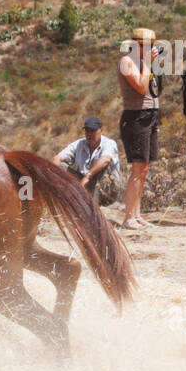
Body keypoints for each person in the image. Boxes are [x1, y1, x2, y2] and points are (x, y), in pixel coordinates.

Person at [117, 26, 161, 229]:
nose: (151, 49)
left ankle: (137, 214)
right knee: (137, 167)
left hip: (150, 115)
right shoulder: (127, 62)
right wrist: (146, 63)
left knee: (144, 167)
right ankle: (128, 217)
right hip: (136, 117)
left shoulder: (145, 63)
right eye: (147, 46)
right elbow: (141, 87)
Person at [56, 116, 121, 207]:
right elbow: (58, 158)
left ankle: (92, 206)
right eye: (87, 131)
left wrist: (87, 176)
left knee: (104, 167)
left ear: (101, 131)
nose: (89, 134)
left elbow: (106, 159)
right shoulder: (80, 144)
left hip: (107, 188)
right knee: (60, 167)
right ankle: (62, 201)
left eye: (93, 131)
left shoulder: (109, 143)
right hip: (85, 185)